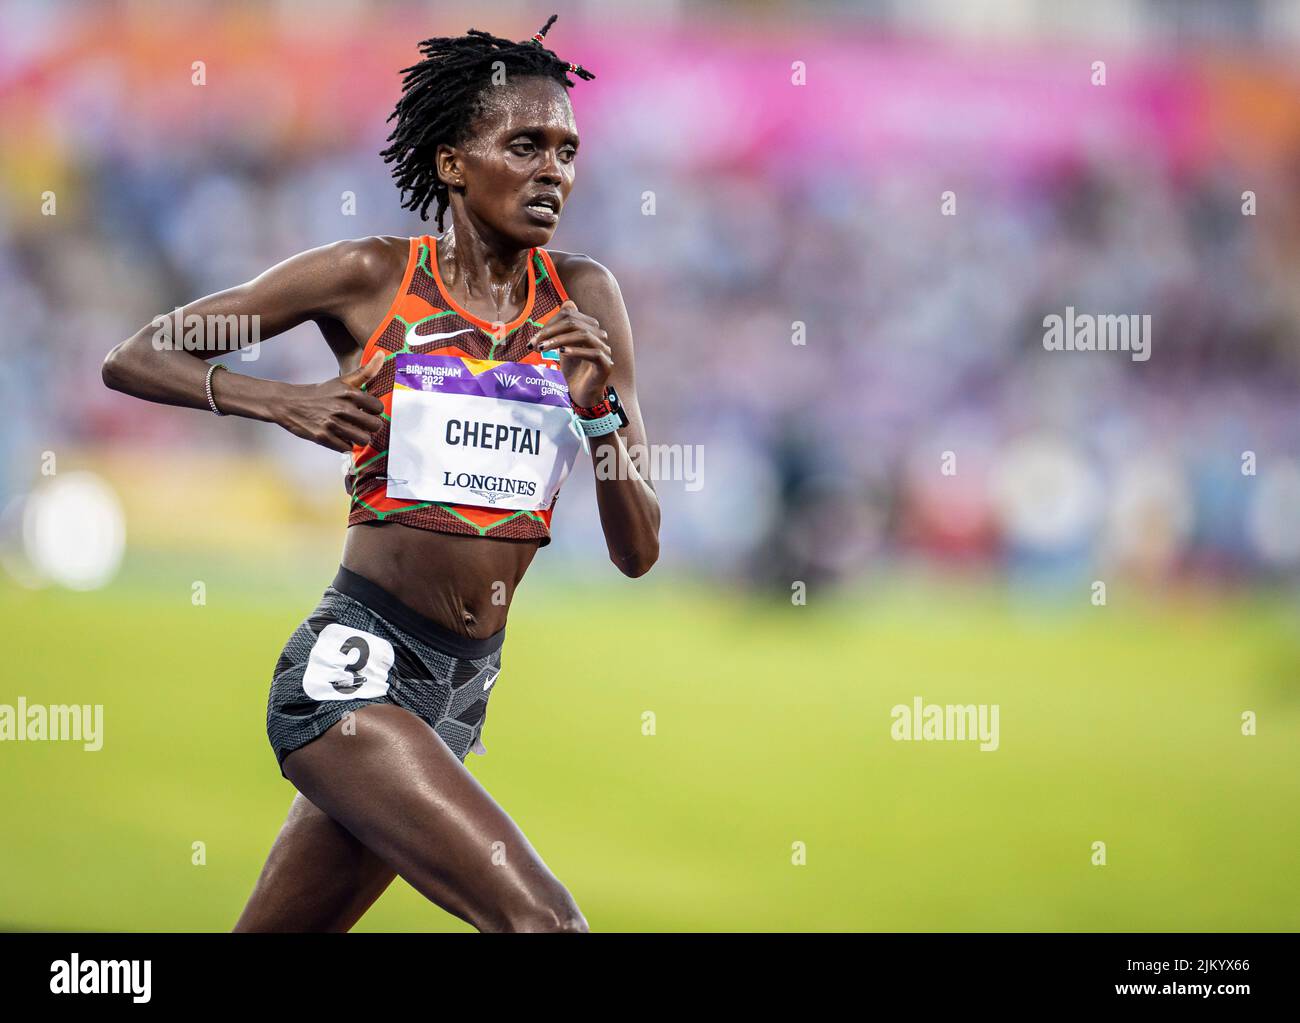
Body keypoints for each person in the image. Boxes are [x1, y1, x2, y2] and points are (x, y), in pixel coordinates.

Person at [101, 15, 659, 933]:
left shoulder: (587, 300)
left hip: (463, 689)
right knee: (546, 924)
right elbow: (138, 354)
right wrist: (280, 402)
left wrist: (599, 411)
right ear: (451, 163)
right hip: (352, 668)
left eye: (566, 150)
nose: (553, 170)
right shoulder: (370, 277)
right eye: (525, 145)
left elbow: (638, 551)